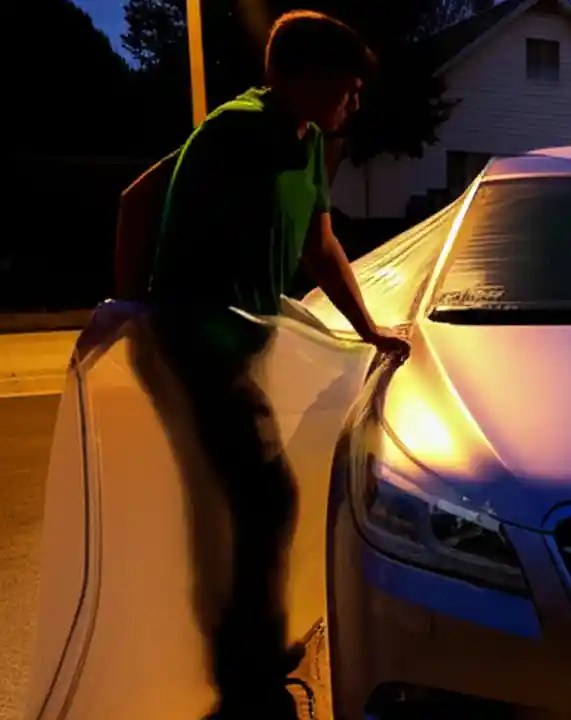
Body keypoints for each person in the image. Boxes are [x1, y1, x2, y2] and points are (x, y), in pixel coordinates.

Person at [132, 10, 409, 718]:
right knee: (267, 496)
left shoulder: (308, 140)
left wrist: (369, 329)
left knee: (242, 501)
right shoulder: (234, 130)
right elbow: (136, 203)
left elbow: (320, 245)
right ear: (302, 76)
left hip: (242, 339)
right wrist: (127, 318)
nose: (355, 101)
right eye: (347, 86)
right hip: (198, 338)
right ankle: (245, 674)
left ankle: (248, 647)